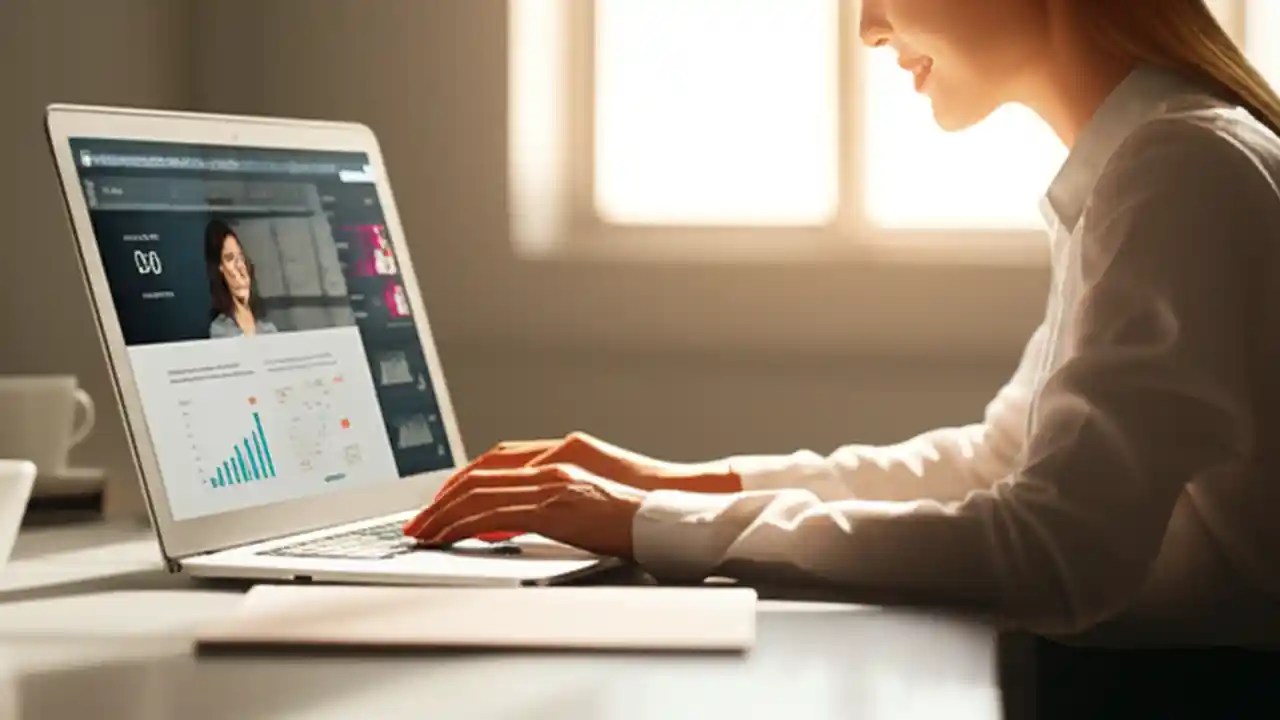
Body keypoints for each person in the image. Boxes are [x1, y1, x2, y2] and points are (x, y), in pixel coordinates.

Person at [405, 0, 1280, 641]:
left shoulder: (1180, 173)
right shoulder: (1154, 161)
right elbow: (999, 460)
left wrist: (653, 521)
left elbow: (1054, 553)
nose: (867, 28)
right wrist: (683, 485)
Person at [204, 219, 278, 338]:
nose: (240, 266)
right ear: (220, 269)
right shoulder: (220, 330)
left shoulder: (268, 328)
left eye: (241, 257)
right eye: (230, 258)